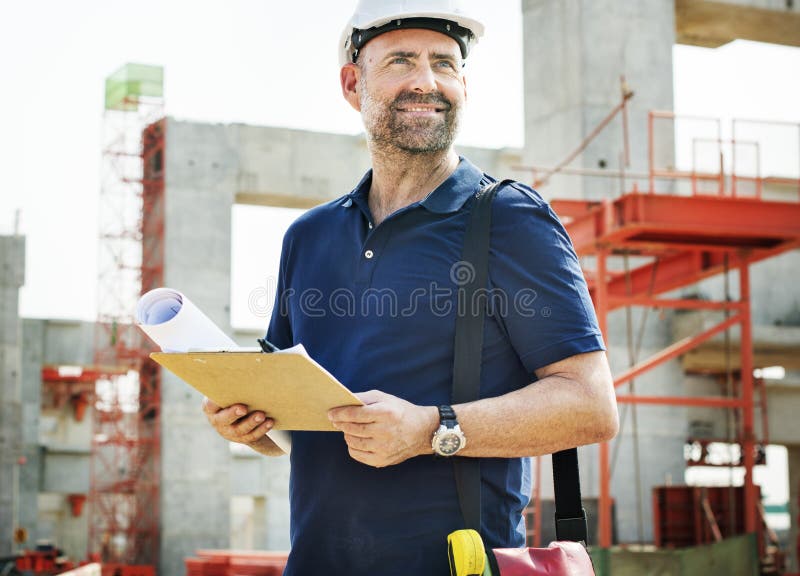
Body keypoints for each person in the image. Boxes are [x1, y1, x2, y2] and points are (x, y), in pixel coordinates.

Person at [202, 1, 619, 574]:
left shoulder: (510, 220)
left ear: (464, 87)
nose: (427, 82)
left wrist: (431, 429)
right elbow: (294, 429)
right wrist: (248, 426)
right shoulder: (310, 236)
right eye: (401, 60)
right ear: (353, 84)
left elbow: (591, 405)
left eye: (444, 64)